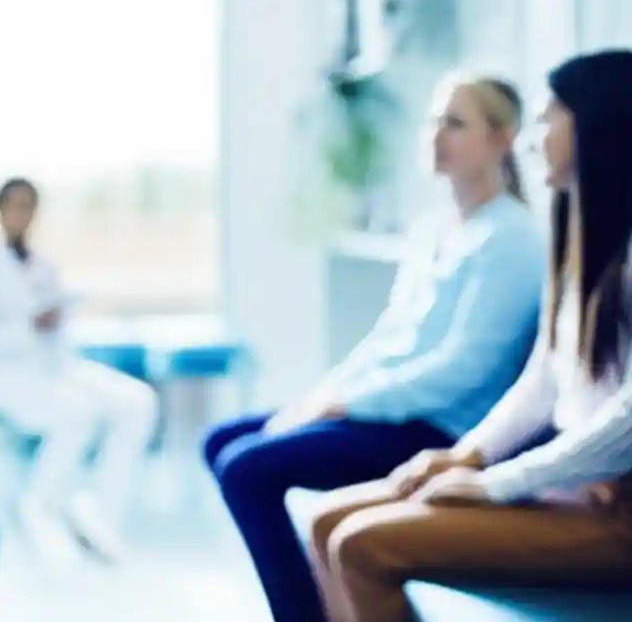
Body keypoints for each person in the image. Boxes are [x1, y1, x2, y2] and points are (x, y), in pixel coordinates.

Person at [202, 75, 546, 622]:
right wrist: (324, 395)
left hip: (440, 429)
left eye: (455, 123)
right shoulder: (433, 228)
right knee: (221, 440)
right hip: (393, 413)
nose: (436, 136)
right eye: (433, 121)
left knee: (247, 469)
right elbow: (389, 337)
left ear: (502, 140)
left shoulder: (512, 239)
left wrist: (346, 405)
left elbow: (462, 368)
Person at [311, 50, 632, 622]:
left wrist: (497, 482)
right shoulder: (574, 240)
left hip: (613, 510)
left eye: (549, 117)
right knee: (326, 520)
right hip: (575, 486)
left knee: (362, 543)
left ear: (600, 122)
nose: (535, 139)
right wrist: (464, 456)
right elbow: (542, 383)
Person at [0, 177, 158, 562]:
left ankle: (101, 515)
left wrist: (54, 321)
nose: (23, 215)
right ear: (0, 212)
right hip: (5, 373)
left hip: (56, 365)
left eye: (30, 207)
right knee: (77, 413)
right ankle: (39, 506)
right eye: (16, 206)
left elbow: (57, 339)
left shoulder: (45, 267)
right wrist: (29, 327)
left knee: (138, 402)